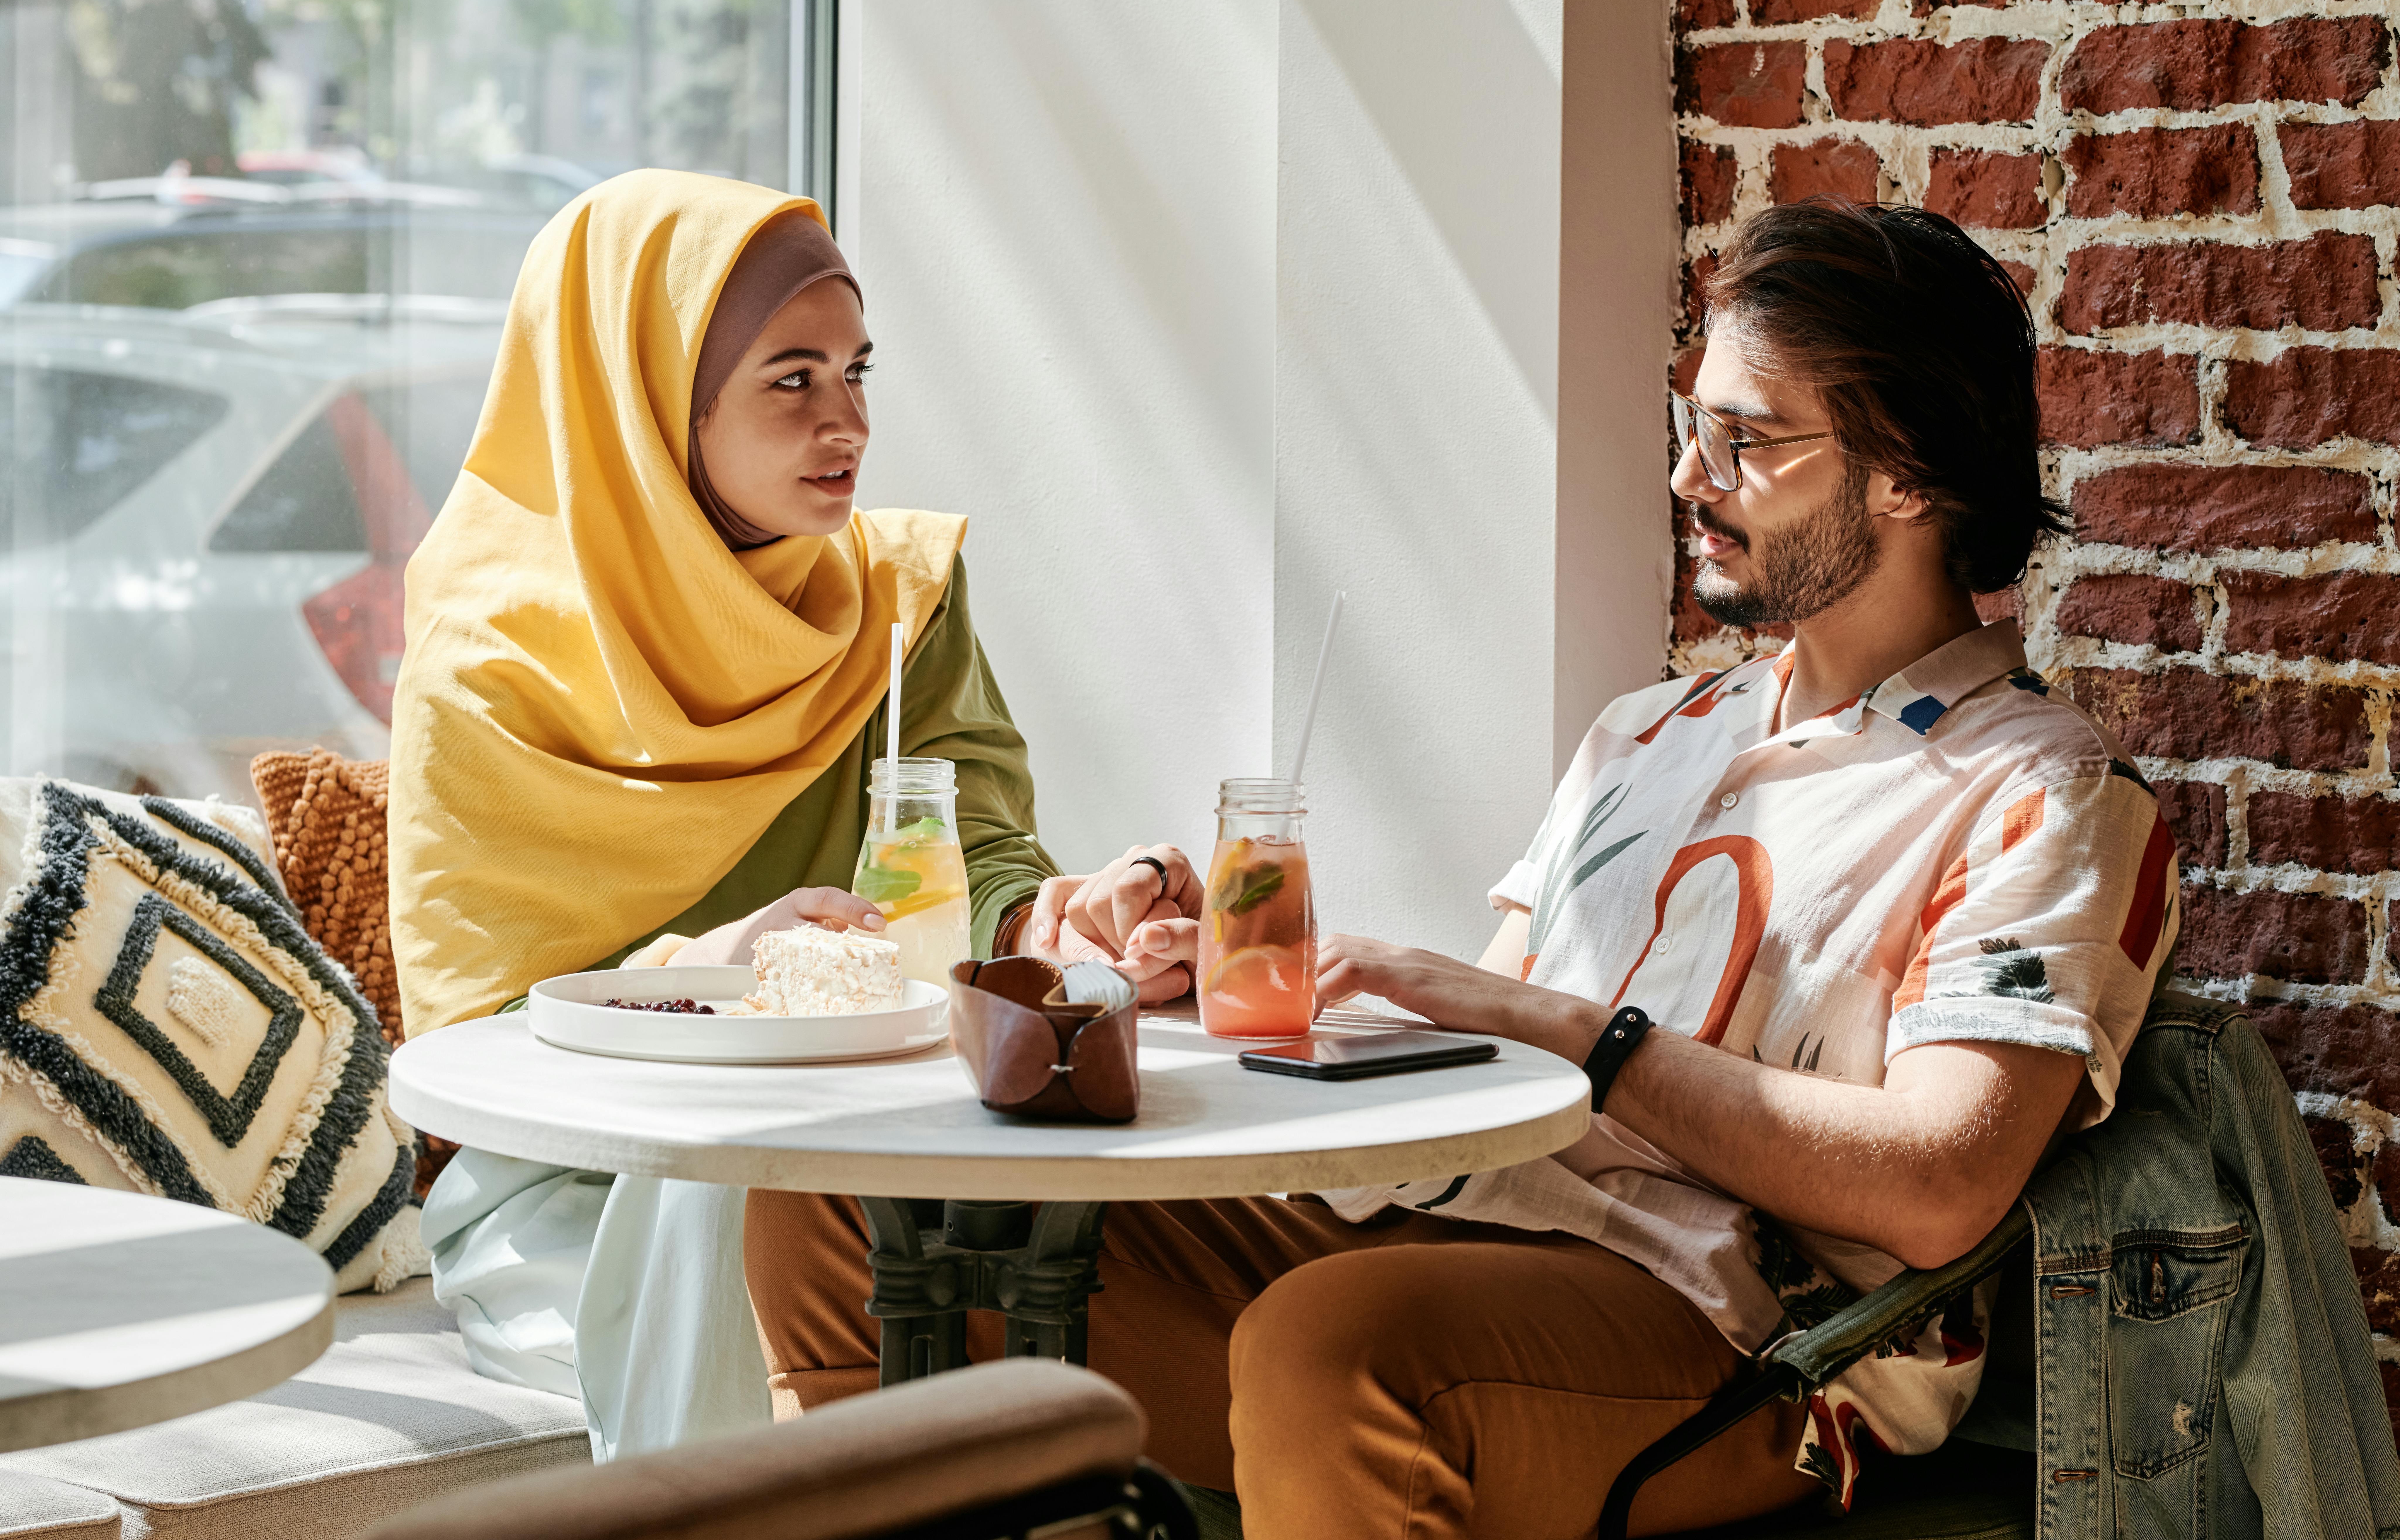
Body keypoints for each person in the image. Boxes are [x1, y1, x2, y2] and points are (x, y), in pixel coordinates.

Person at [744, 201, 2181, 1536]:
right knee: (837, 1201)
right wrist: (1224, 994)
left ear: (1913, 477)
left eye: (1749, 442)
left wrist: (1572, 1033)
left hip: (1747, 1340)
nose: (1691, 477)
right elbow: (1472, 1079)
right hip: (1456, 1221)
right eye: (1692, 430)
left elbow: (1939, 1183)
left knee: (1337, 1338)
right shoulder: (1649, 734)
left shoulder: (2037, 789)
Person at [388, 169, 1146, 1457]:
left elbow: (978, 858)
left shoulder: (898, 601)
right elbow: (473, 1060)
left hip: (883, 1154)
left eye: (858, 370)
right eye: (791, 380)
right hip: (583, 1185)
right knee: (768, 1389)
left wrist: (1071, 916)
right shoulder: (488, 668)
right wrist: (706, 974)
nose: (846, 421)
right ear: (646, 407)